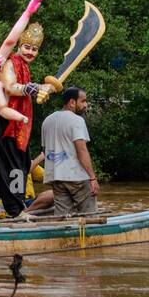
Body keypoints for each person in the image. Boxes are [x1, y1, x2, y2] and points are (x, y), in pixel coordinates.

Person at [0, 0, 50, 219]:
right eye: (27, 47)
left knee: (4, 166)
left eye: (34, 50)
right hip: (5, 122)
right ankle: (17, 209)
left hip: (11, 122)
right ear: (20, 46)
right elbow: (11, 87)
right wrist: (30, 88)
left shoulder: (21, 65)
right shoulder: (10, 62)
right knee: (15, 168)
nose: (30, 52)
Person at [41, 86, 99, 216]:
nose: (86, 104)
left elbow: (45, 151)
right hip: (76, 176)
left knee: (62, 217)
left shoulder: (47, 121)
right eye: (83, 101)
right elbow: (81, 151)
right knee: (90, 216)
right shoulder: (77, 120)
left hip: (56, 176)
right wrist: (92, 178)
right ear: (72, 102)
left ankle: (63, 235)